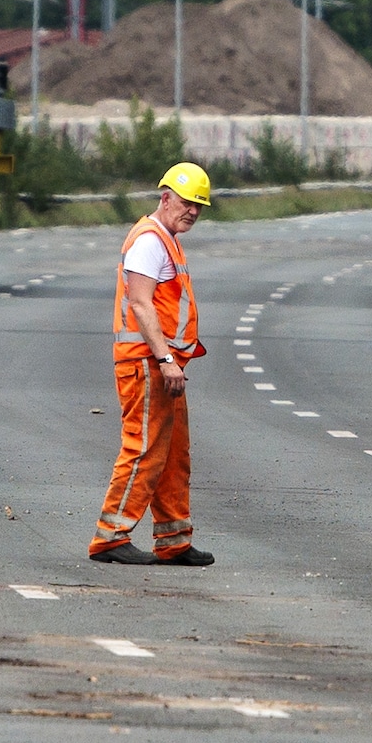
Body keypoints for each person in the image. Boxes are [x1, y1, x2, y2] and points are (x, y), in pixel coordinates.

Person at [88, 162, 215, 567]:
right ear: (165, 198)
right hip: (147, 363)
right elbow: (141, 304)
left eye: (199, 205)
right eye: (186, 202)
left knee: (174, 454)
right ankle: (110, 537)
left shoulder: (167, 240)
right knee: (143, 449)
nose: (192, 211)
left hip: (163, 365)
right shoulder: (149, 241)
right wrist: (165, 359)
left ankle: (174, 540)